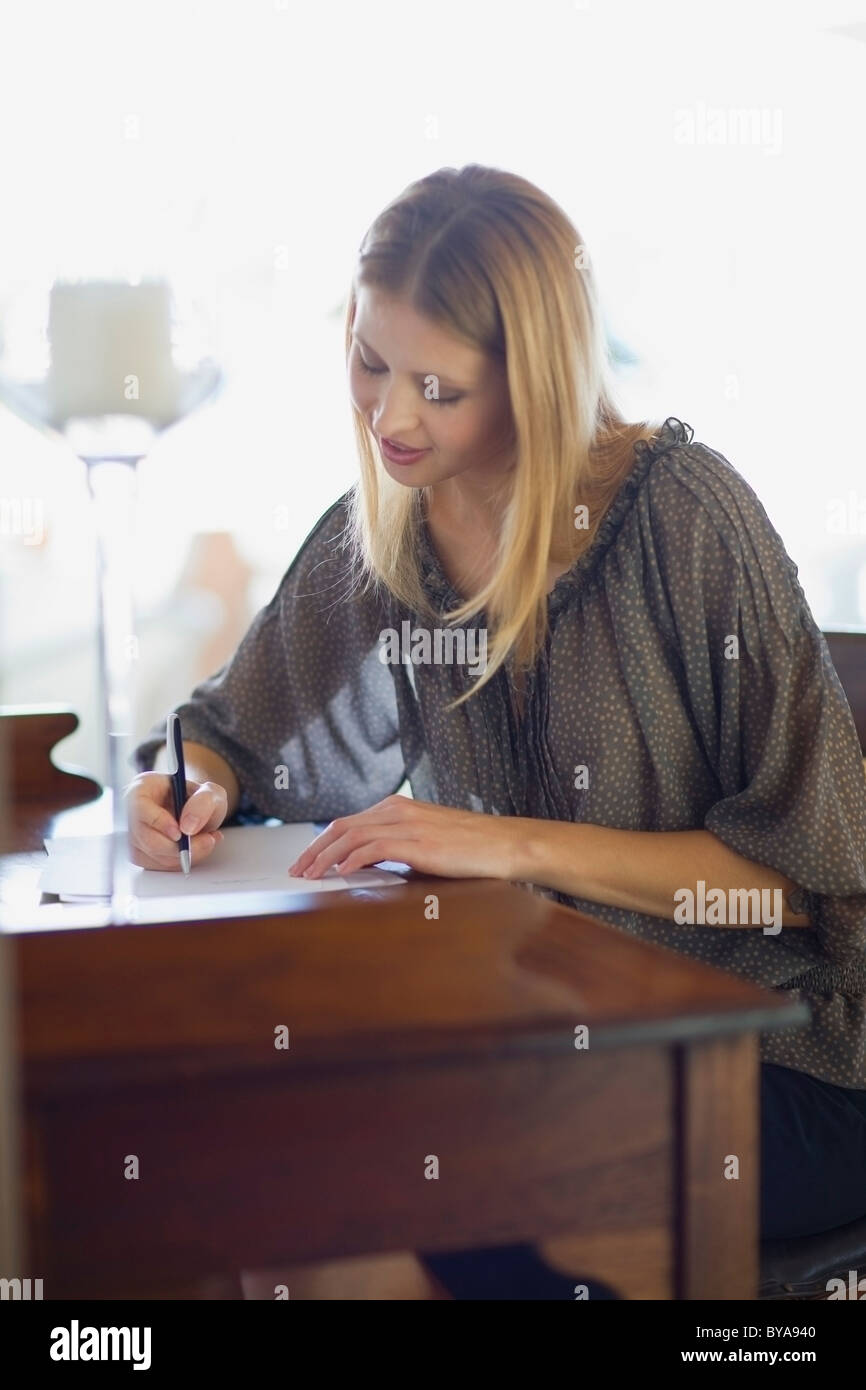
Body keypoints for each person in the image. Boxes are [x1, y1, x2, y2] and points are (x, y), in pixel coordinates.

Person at [129, 164, 866, 1299]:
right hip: (549, 1045)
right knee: (281, 1165)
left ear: (530, 381)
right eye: (369, 362)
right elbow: (232, 730)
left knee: (399, 1177)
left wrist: (510, 845)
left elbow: (803, 880)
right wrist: (200, 782)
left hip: (789, 1056)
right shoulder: (386, 533)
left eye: (436, 384)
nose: (389, 416)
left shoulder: (681, 516)